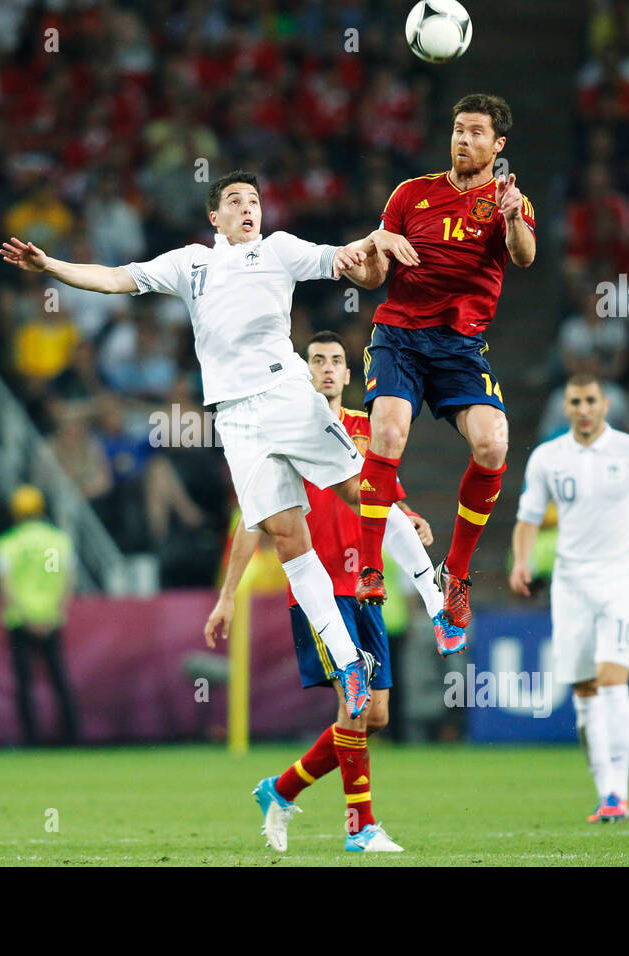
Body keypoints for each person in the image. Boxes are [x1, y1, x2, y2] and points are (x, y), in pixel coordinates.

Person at [0, 169, 432, 719]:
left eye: (254, 200)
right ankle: (348, 668)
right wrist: (52, 267)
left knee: (357, 490)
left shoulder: (279, 249)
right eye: (235, 200)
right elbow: (114, 279)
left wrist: (373, 241)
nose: (248, 207)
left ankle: (436, 598)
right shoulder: (191, 264)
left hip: (283, 395)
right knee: (286, 537)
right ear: (214, 216)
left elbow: (343, 260)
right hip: (235, 418)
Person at [207, 331, 450, 853]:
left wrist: (409, 519)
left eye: (336, 361)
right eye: (316, 360)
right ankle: (360, 827)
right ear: (304, 371)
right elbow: (253, 519)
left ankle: (282, 788)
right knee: (354, 708)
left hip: (366, 589)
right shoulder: (285, 427)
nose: (326, 369)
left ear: (348, 373)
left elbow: (382, 497)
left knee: (376, 715)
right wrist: (228, 594)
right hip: (320, 594)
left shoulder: (366, 430)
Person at [350, 93, 536, 637]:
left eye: (476, 133)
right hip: (400, 338)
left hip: (460, 347)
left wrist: (511, 218)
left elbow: (524, 257)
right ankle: (369, 567)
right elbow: (373, 277)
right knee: (388, 432)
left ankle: (455, 573)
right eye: (458, 130)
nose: (464, 140)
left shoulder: (509, 200)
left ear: (498, 145)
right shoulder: (411, 193)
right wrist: (373, 242)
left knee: (493, 445)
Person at [509, 374, 629, 823]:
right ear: (566, 407)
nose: (584, 409)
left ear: (605, 405)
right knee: (583, 689)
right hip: (570, 585)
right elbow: (527, 518)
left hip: (622, 580)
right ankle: (606, 794)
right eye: (576, 401)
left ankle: (620, 792)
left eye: (591, 401)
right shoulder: (547, 457)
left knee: (611, 679)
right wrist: (521, 561)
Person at [0, 485, 79, 745]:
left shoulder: (6, 544)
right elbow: (67, 581)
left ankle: (31, 740)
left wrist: (26, 616)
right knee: (60, 680)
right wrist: (54, 613)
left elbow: (5, 586)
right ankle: (73, 737)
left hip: (20, 621)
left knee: (24, 684)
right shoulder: (58, 541)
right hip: (51, 619)